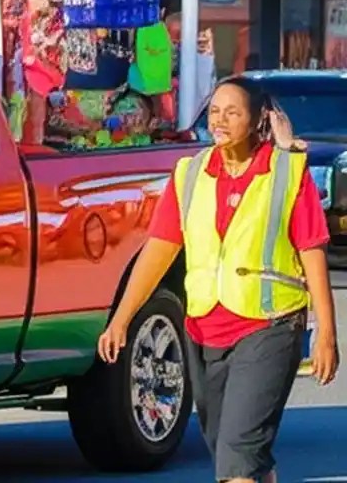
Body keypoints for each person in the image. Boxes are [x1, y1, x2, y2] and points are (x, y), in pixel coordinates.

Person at [97, 77, 339, 483]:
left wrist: (327, 332)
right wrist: (121, 318)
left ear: (258, 119)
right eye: (214, 111)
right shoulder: (190, 174)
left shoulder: (286, 173)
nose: (221, 120)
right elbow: (159, 249)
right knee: (237, 451)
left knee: (236, 454)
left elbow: (312, 251)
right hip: (205, 329)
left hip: (270, 326)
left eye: (233, 112)